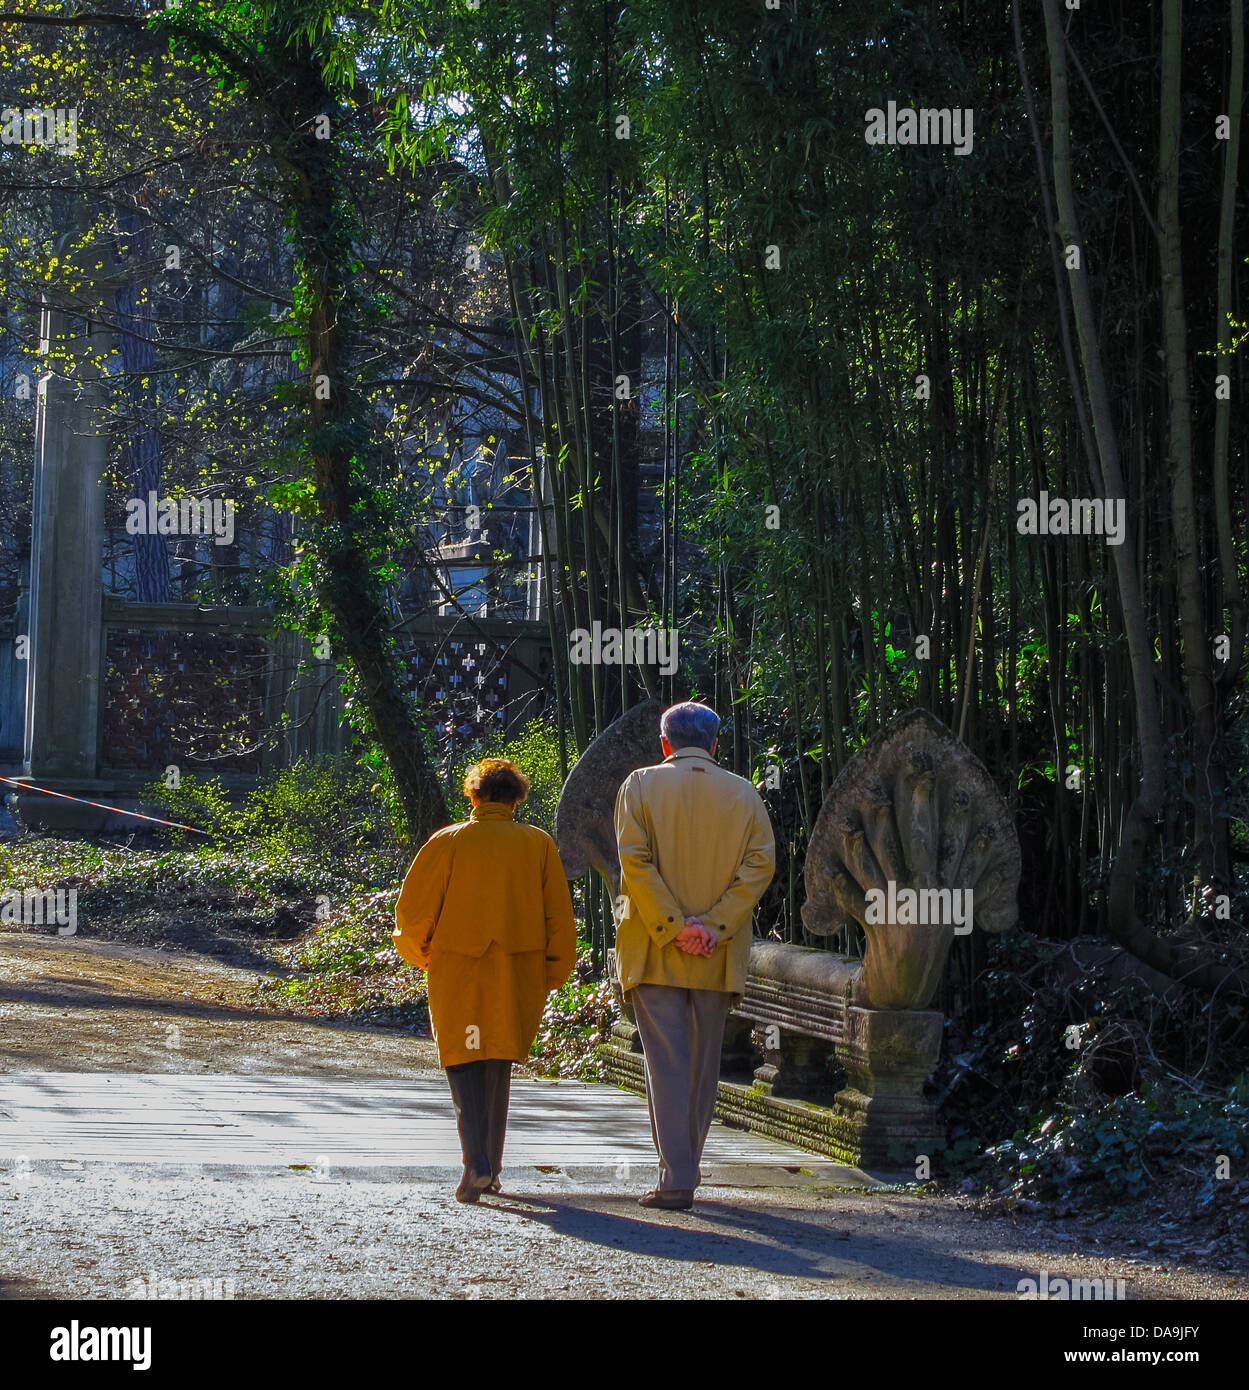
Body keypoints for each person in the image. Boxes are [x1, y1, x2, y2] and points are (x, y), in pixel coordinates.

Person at [614, 701, 776, 1211]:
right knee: (705, 1067)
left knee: (666, 1064)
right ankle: (686, 1167)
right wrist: (713, 926)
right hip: (716, 951)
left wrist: (672, 926)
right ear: (715, 744)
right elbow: (759, 866)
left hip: (654, 948)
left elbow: (634, 862)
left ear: (665, 744)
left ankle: (677, 1177)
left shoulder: (638, 785)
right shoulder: (744, 794)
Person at [394, 758, 576, 1203]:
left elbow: (415, 912)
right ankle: (489, 1169)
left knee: (462, 1059)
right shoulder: (538, 845)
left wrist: (417, 952)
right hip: (518, 968)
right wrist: (555, 970)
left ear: (473, 796)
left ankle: (476, 1163)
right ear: (516, 799)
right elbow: (559, 916)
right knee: (497, 1062)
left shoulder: (448, 842)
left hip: (458, 966)